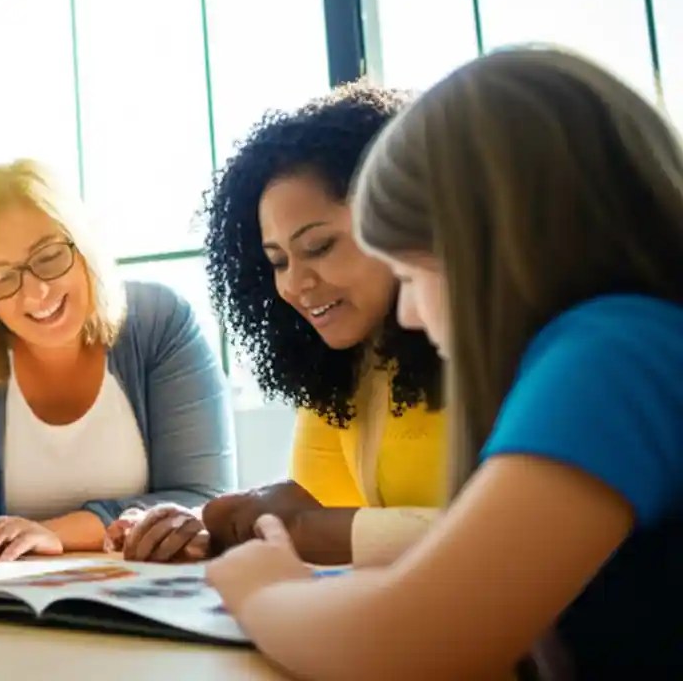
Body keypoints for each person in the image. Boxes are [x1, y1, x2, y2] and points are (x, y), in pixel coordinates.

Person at [206, 47, 683, 678]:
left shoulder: (614, 355)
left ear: (487, 240)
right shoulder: (633, 341)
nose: (406, 316)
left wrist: (263, 590)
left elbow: (411, 643)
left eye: (411, 272)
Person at [110, 84, 444, 566]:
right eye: (277, 261)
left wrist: (290, 527)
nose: (294, 284)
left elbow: (501, 536)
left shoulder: (495, 346)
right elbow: (319, 523)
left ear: (398, 216)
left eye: (320, 247)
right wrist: (209, 530)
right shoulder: (341, 374)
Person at [0, 159, 236, 576]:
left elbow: (205, 496)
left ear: (83, 247)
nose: (37, 293)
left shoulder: (159, 322)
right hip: (24, 608)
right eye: (2, 277)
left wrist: (56, 533)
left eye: (48, 257)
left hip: (157, 596)